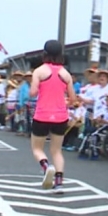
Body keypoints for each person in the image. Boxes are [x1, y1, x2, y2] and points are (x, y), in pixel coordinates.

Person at [30, 40, 77, 189]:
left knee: (37, 149)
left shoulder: (39, 71)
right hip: (60, 116)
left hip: (42, 114)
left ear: (44, 53)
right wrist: (64, 102)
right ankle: (59, 181)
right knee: (57, 150)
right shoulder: (66, 74)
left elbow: (32, 93)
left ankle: (45, 166)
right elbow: (73, 99)